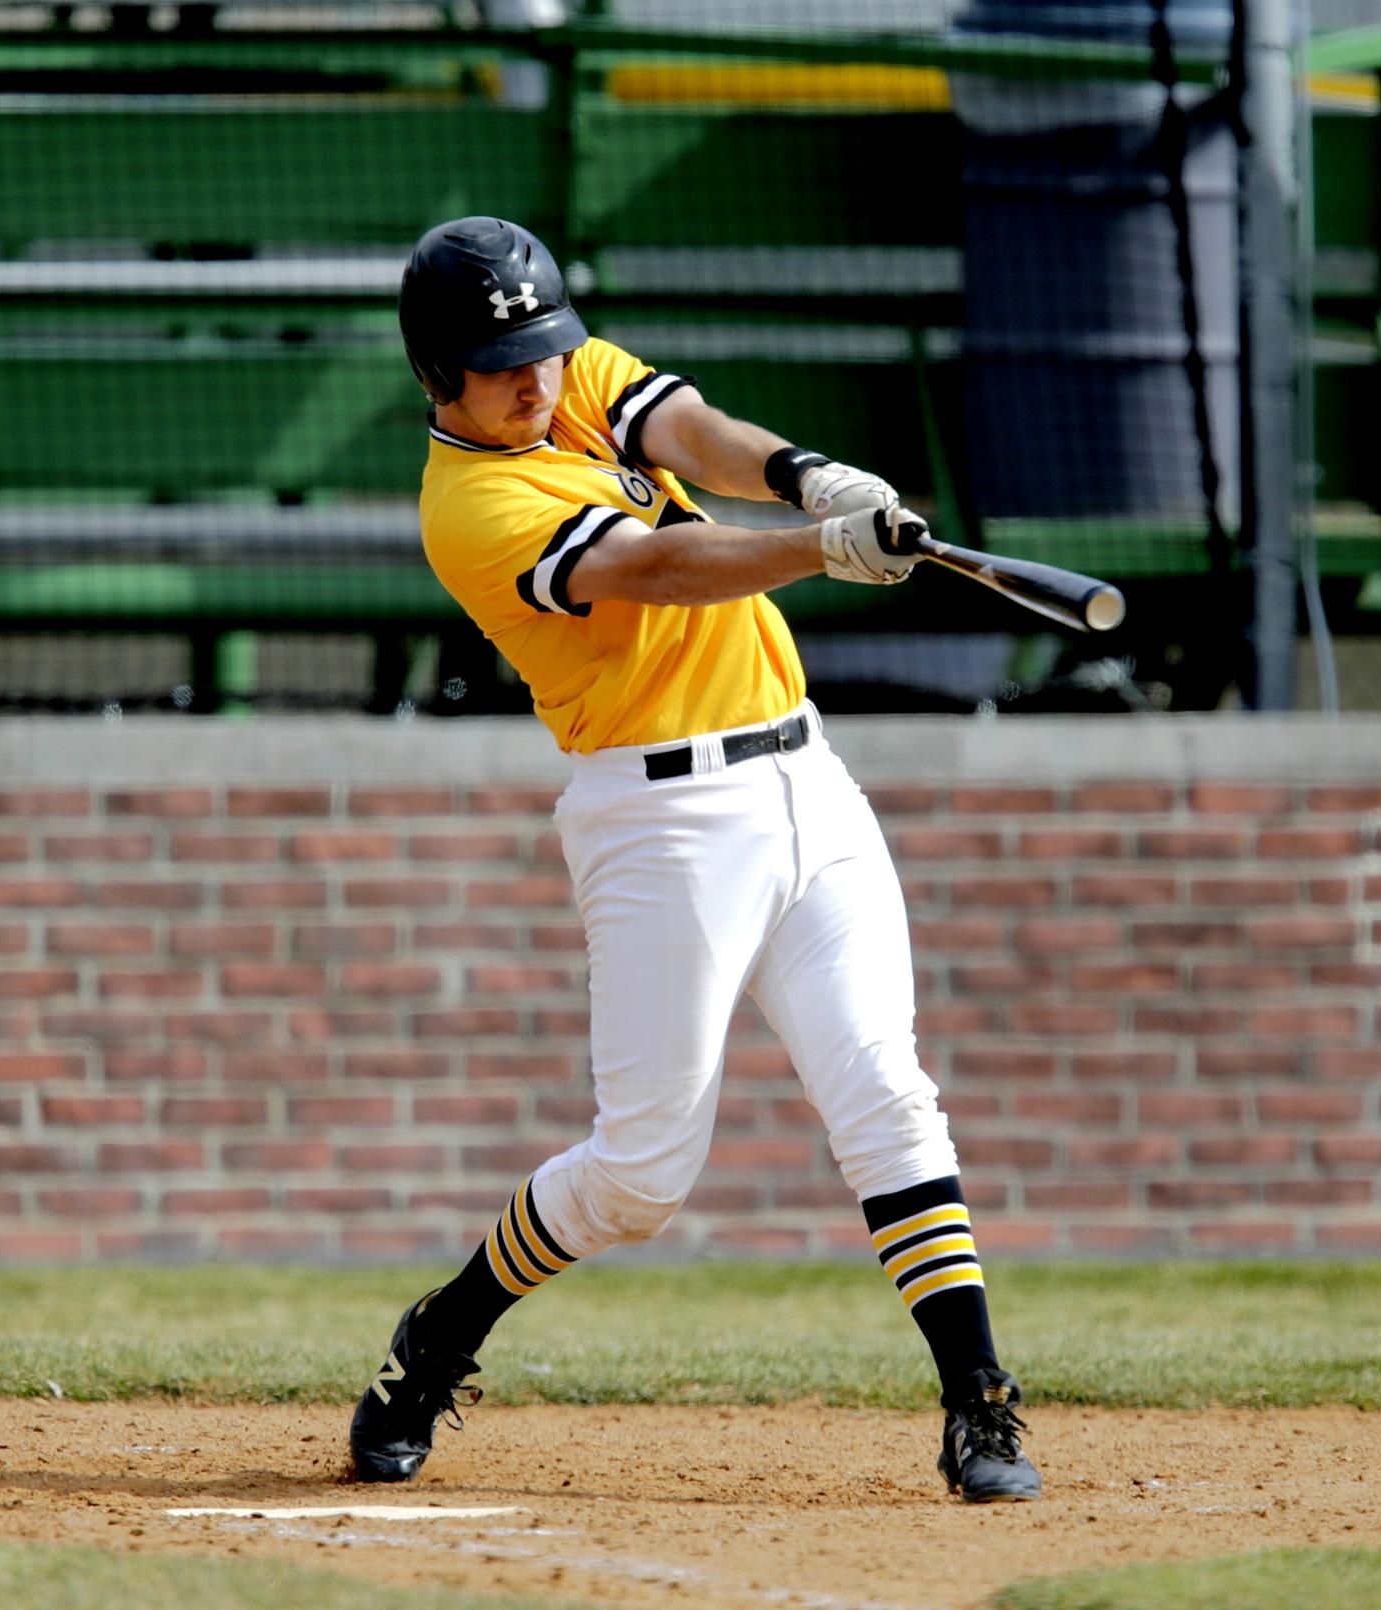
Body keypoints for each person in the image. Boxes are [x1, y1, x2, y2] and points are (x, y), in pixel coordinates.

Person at [347, 216, 1040, 1504]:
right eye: (502, 367)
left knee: (886, 1092)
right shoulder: (473, 504)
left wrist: (810, 476)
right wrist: (820, 548)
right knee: (643, 1173)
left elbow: (694, 433)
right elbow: (657, 564)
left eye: (545, 351)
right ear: (435, 374)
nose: (538, 381)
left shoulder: (566, 377)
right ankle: (438, 1340)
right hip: (659, 823)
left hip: (807, 780)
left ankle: (979, 1405)